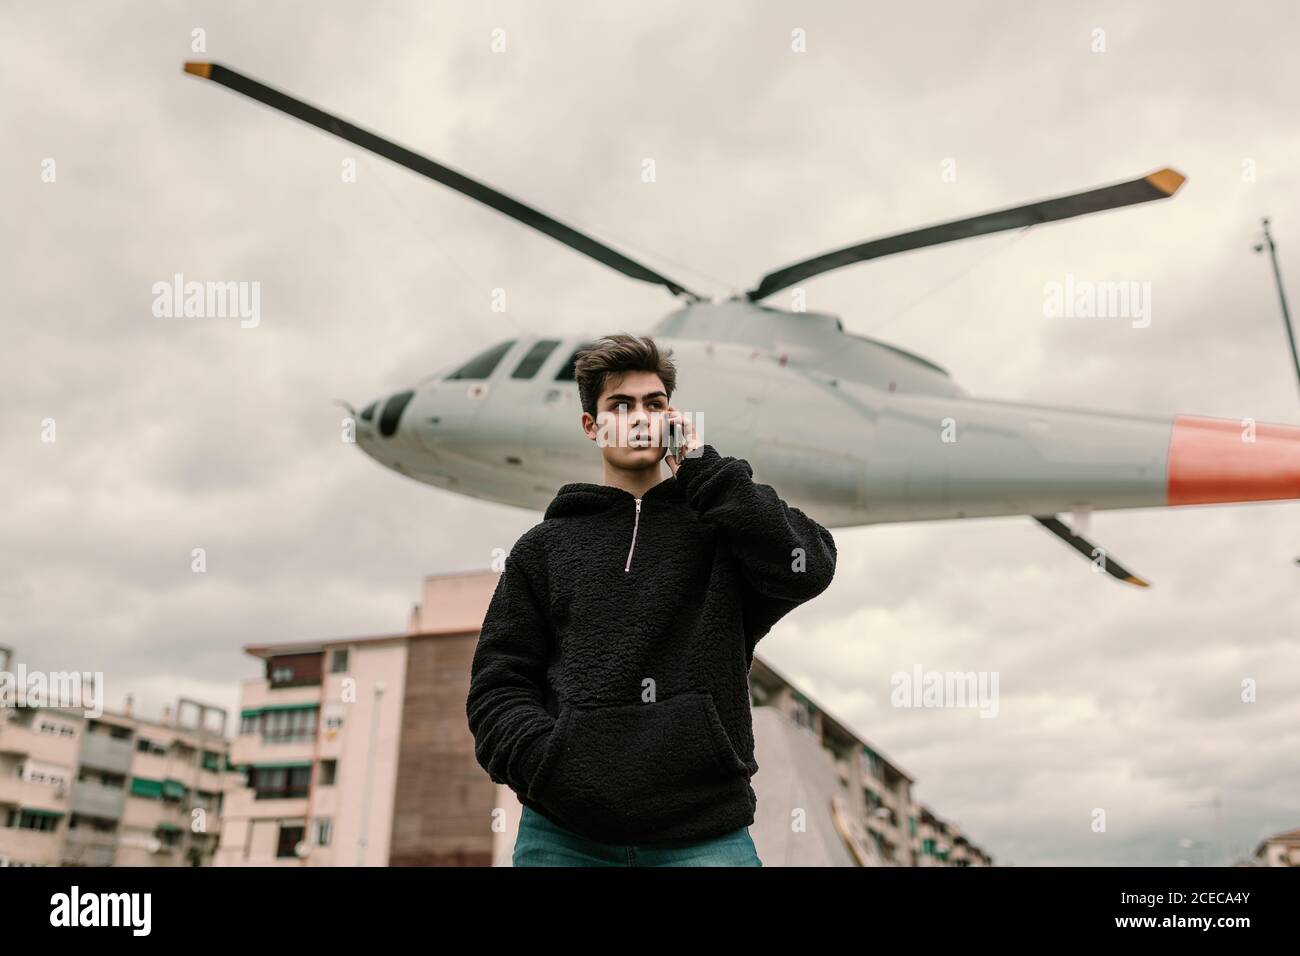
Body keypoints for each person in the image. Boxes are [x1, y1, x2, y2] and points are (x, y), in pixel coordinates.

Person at [465, 333, 837, 866]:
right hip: (564, 834)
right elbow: (498, 685)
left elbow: (809, 565)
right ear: (591, 426)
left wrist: (700, 467)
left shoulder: (720, 533)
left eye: (654, 404)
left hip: (705, 831)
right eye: (620, 405)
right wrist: (549, 764)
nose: (640, 417)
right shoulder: (543, 549)